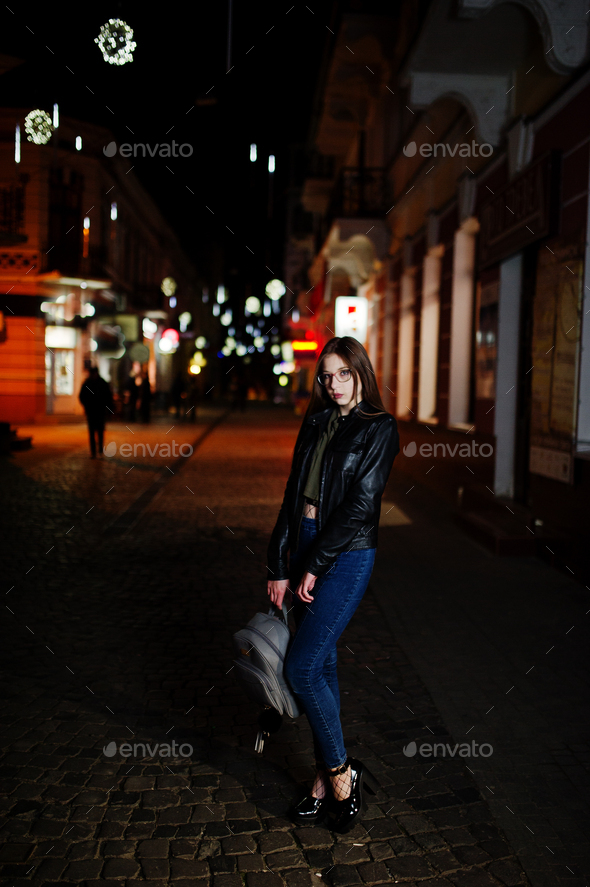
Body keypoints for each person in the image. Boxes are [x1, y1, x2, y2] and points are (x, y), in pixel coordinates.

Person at [266, 336, 400, 833]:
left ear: (361, 371)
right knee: (322, 666)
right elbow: (291, 494)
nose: (334, 384)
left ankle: (341, 772)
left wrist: (314, 564)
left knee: (301, 668)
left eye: (344, 373)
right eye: (326, 375)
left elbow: (361, 507)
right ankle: (325, 780)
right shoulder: (318, 420)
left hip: (345, 555)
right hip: (303, 542)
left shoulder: (379, 428)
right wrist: (278, 563)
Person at [78, 366, 114, 459]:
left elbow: (108, 397)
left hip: (99, 411)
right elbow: (81, 396)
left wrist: (108, 408)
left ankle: (99, 450)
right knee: (93, 432)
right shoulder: (90, 383)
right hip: (93, 411)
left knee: (99, 431)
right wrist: (86, 405)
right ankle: (94, 451)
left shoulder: (99, 383)